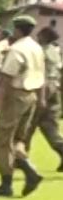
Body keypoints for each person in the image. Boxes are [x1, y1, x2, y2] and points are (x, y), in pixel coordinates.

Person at [0, 16, 46, 198]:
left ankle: (8, 182)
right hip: (31, 95)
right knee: (18, 139)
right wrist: (41, 99)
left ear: (17, 29)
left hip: (16, 95)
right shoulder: (36, 48)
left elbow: (5, 81)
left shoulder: (16, 50)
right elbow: (41, 75)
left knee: (2, 141)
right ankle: (28, 169)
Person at [26, 26, 63, 171]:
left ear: (45, 36)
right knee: (50, 126)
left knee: (28, 123)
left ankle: (20, 156)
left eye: (39, 35)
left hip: (42, 87)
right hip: (54, 86)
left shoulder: (40, 52)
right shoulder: (54, 51)